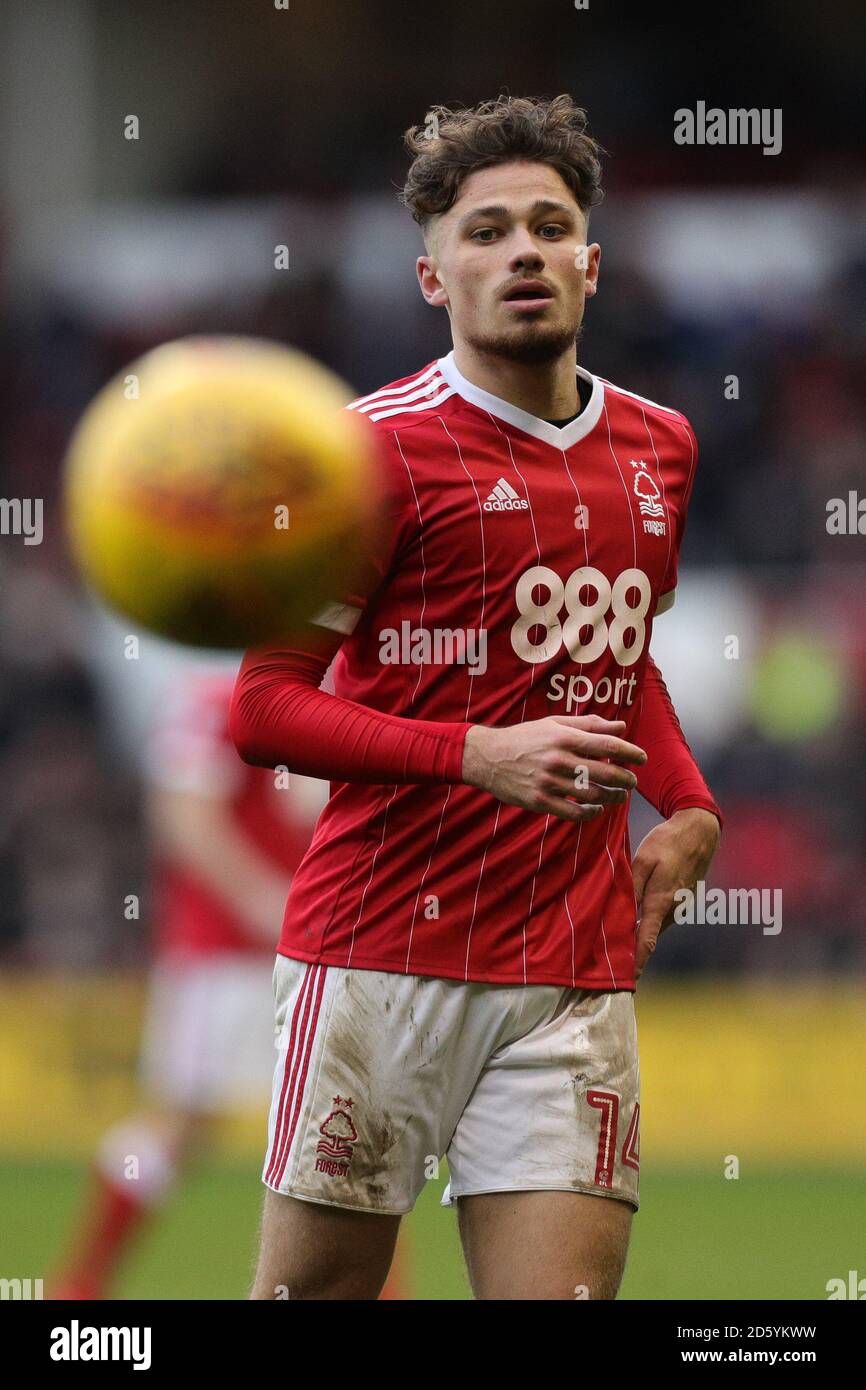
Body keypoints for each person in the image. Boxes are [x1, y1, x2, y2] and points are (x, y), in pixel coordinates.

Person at [230, 94, 722, 1301]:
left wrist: (689, 802)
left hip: (569, 968)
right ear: (431, 276)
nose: (522, 253)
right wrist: (472, 754)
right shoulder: (365, 454)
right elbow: (263, 708)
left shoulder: (660, 445)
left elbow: (621, 656)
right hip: (376, 958)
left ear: (589, 264)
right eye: (487, 231)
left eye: (549, 227)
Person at [52, 671, 325, 1299]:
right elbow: (184, 815)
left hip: (307, 952)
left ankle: (80, 1285)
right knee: (183, 1122)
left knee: (345, 1124)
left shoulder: (324, 696)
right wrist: (262, 899)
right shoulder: (215, 702)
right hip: (225, 957)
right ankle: (80, 1287)